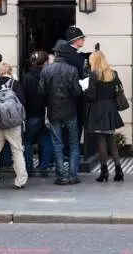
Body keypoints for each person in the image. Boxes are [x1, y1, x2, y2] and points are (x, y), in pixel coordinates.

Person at [38, 40, 83, 185]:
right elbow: (77, 92)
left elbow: (41, 91)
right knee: (74, 144)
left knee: (57, 144)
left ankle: (62, 175)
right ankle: (73, 174)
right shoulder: (72, 70)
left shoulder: (46, 70)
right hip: (70, 110)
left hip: (53, 110)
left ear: (56, 53)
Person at [0, 63, 27, 189]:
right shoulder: (15, 84)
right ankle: (20, 180)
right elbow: (22, 101)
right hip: (13, 123)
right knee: (17, 150)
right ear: (10, 71)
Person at [86, 50, 124, 182]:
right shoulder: (113, 74)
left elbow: (91, 96)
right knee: (111, 140)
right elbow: (117, 91)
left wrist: (85, 91)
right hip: (111, 108)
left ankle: (104, 172)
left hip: (98, 109)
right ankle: (119, 171)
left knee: (101, 141)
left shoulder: (93, 76)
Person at [21, 51, 53, 177]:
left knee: (28, 141)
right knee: (45, 140)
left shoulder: (27, 77)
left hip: (31, 114)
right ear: (45, 62)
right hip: (46, 113)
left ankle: (29, 168)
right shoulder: (48, 76)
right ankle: (44, 167)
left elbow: (23, 97)